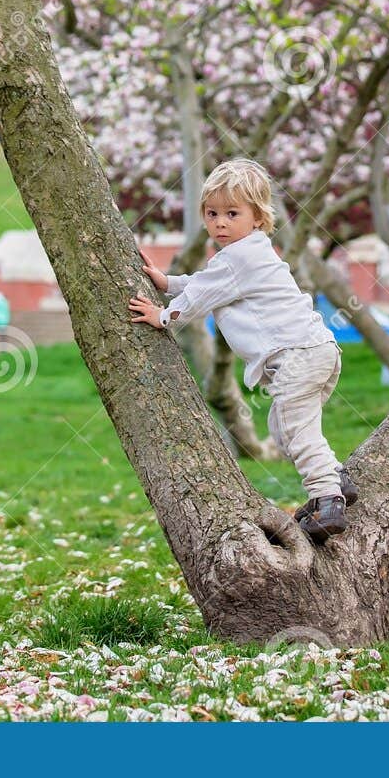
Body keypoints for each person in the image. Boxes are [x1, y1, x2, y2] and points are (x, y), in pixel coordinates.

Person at [127, 158, 357, 540]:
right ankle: (338, 481)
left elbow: (201, 294)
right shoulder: (250, 253)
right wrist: (167, 282)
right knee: (285, 432)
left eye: (232, 213)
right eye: (212, 213)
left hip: (298, 356)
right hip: (316, 351)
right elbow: (207, 283)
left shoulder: (238, 257)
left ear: (257, 216)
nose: (220, 223)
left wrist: (163, 316)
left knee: (297, 433)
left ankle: (328, 502)